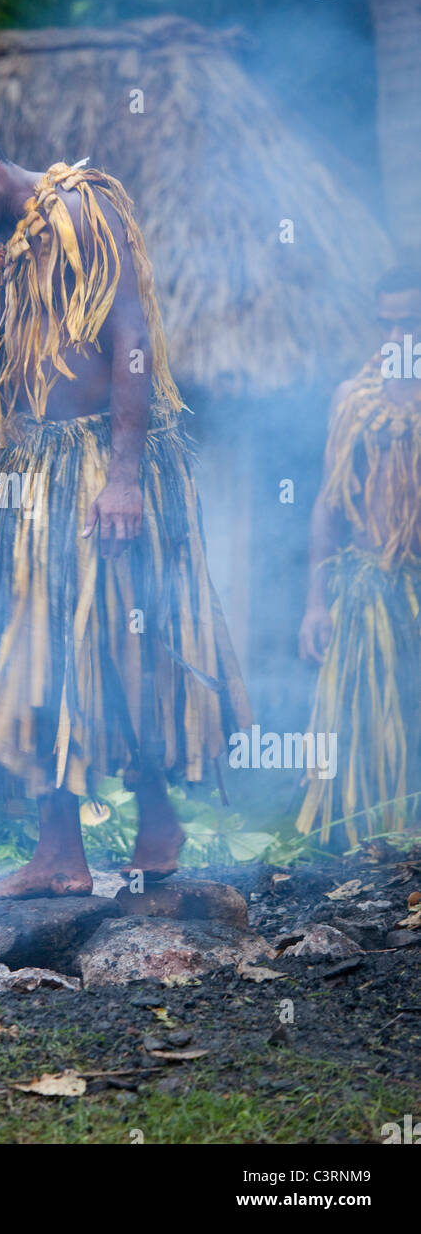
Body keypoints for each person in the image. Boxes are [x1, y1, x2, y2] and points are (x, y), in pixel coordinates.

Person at [0, 106, 251, 899]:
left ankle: (137, 830)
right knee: (38, 655)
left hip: (107, 463)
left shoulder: (83, 209)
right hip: (29, 476)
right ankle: (68, 851)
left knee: (129, 649)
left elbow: (131, 336)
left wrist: (123, 476)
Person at [297, 265, 421, 847]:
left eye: (411, 324)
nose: (397, 338)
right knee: (364, 733)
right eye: (387, 324)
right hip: (363, 595)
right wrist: (315, 604)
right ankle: (370, 850)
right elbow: (326, 503)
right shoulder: (350, 399)